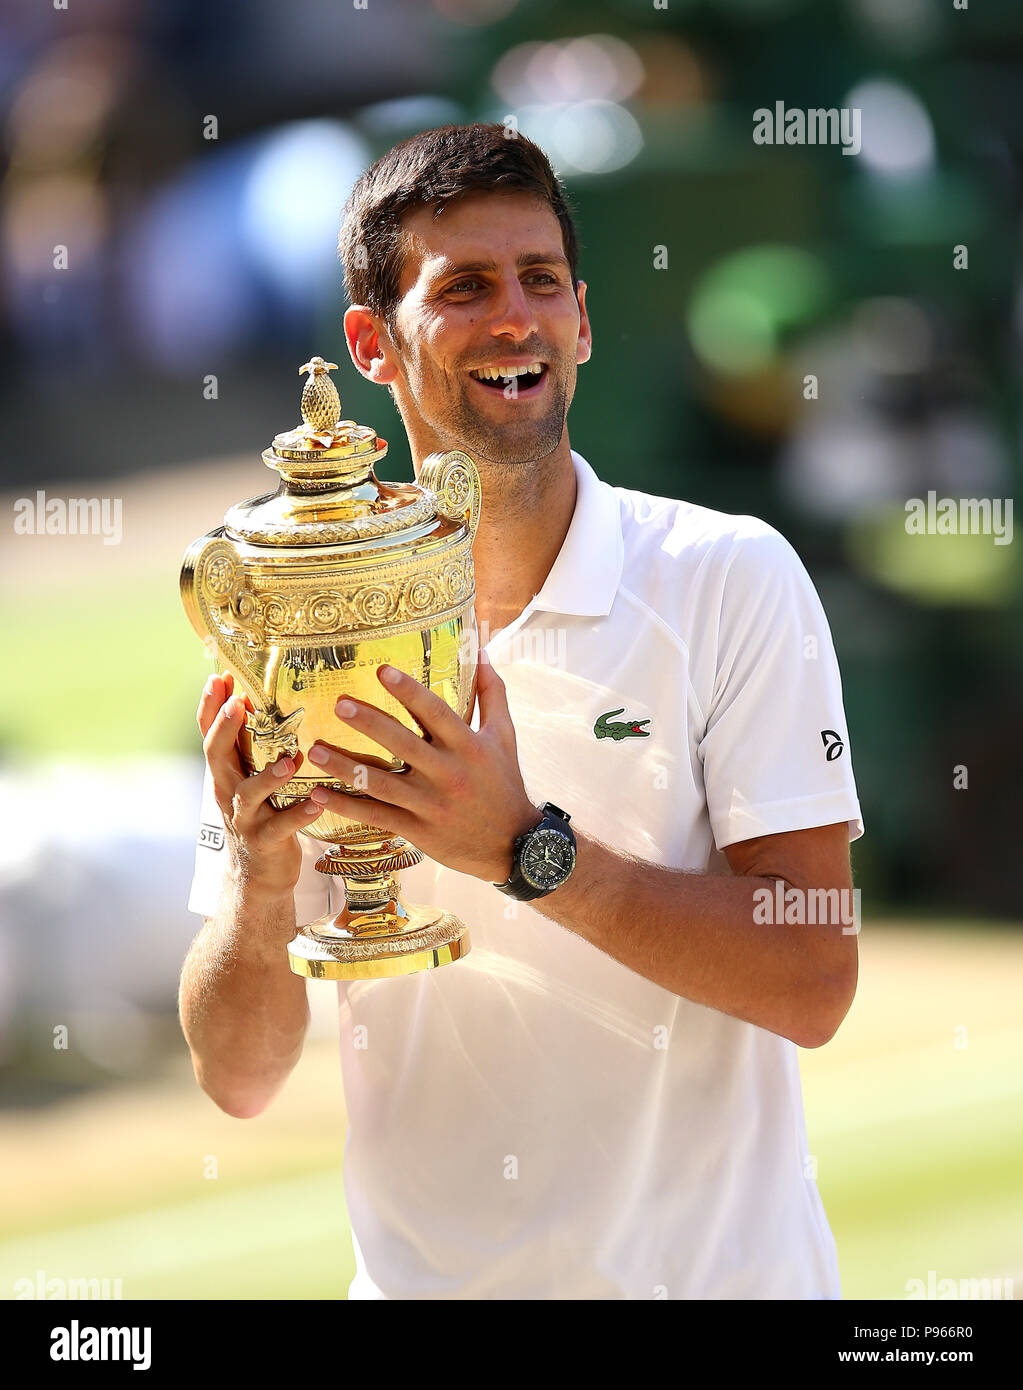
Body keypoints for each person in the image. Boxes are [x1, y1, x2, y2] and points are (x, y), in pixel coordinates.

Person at [181, 123, 864, 1300]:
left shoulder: (729, 576)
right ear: (372, 346)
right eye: (464, 289)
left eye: (540, 280)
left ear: (584, 321)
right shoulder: (304, 616)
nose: (515, 319)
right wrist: (256, 882)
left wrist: (523, 849)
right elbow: (238, 1077)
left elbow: (812, 978)